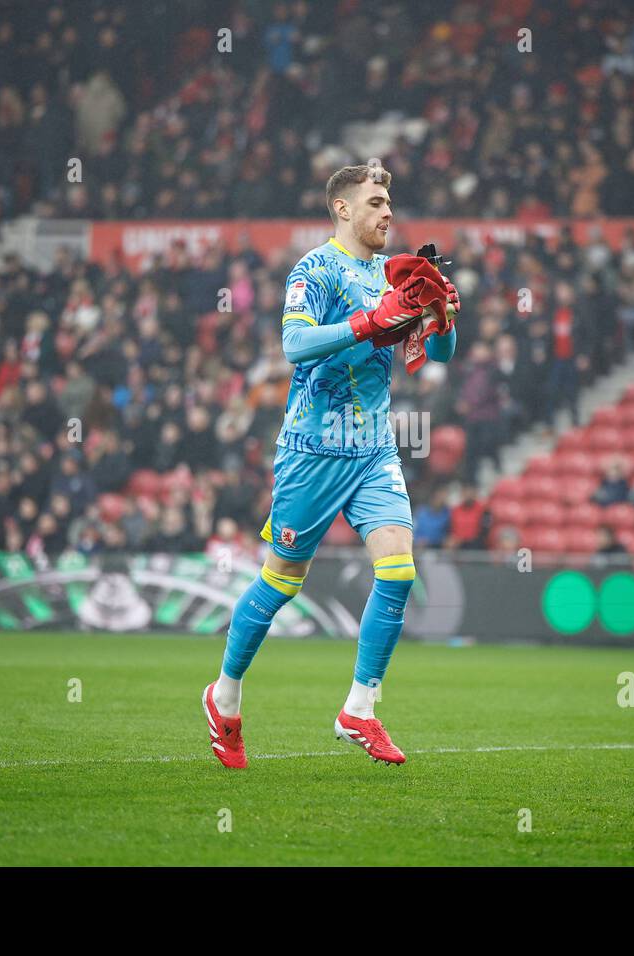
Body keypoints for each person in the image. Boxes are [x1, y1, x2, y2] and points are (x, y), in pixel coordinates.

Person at [202, 163, 459, 769]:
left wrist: (442, 313)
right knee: (282, 581)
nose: (388, 211)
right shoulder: (312, 270)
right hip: (312, 450)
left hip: (373, 447)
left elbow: (440, 352)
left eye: (390, 201)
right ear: (342, 209)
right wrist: (371, 322)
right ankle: (225, 695)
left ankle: (360, 709)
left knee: (397, 573)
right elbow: (294, 345)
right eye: (376, 202)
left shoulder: (394, 275)